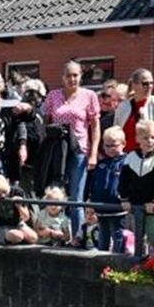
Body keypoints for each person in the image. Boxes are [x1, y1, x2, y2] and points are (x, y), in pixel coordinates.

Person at [42, 61, 100, 236]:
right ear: (63, 77)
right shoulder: (53, 95)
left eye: (75, 75)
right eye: (68, 75)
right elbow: (46, 122)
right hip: (57, 151)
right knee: (56, 196)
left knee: (76, 197)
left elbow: (95, 126)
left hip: (79, 150)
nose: (72, 79)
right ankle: (54, 234)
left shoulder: (89, 95)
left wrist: (93, 154)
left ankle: (78, 237)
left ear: (81, 76)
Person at [119, 119, 154, 257]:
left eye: (153, 137)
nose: (150, 141)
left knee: (152, 235)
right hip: (134, 206)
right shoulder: (130, 157)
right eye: (146, 138)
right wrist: (124, 199)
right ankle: (136, 266)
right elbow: (123, 180)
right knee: (135, 238)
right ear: (138, 138)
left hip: (151, 208)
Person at [89, 125, 127, 253]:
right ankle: (102, 263)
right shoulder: (101, 164)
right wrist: (91, 198)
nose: (110, 149)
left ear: (123, 144)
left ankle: (118, 263)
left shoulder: (126, 162)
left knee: (118, 235)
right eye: (106, 145)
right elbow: (94, 182)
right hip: (101, 206)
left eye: (114, 145)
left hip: (118, 207)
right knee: (103, 235)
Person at [0, 172, 38, 247]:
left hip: (17, 223)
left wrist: (19, 206)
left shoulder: (18, 192)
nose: (3, 196)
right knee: (17, 236)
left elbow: (26, 217)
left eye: (4, 192)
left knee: (33, 237)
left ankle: (16, 239)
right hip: (0, 226)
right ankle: (6, 239)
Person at [115, 68, 154, 151]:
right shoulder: (123, 107)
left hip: (150, 157)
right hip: (127, 156)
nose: (149, 86)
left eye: (151, 83)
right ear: (134, 85)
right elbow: (116, 132)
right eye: (145, 84)